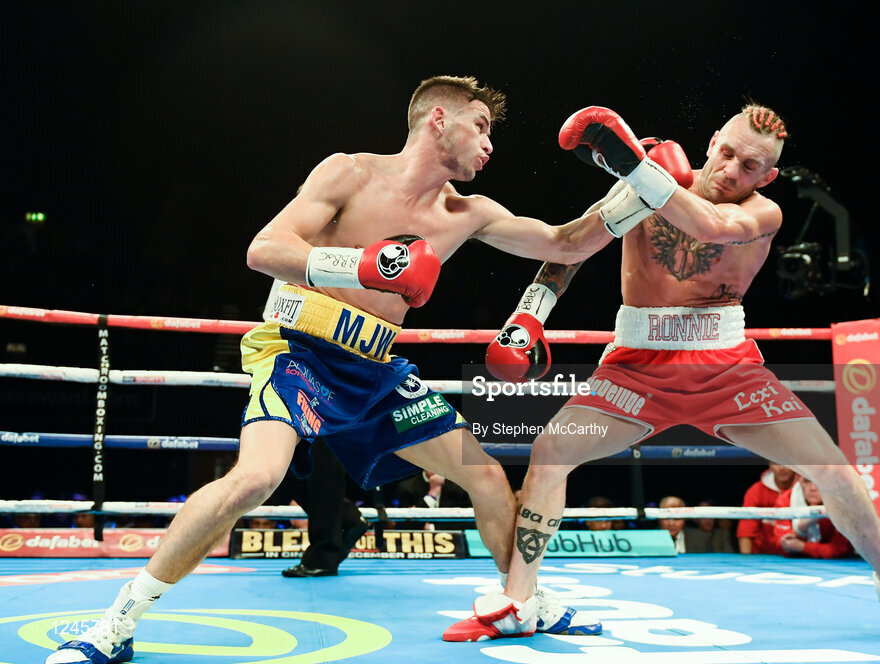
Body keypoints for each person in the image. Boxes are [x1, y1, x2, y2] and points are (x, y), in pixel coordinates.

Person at [46, 75, 617, 664]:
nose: (490, 144)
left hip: (376, 370)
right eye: (481, 125)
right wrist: (365, 265)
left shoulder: (468, 212)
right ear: (438, 120)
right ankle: (116, 623)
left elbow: (564, 244)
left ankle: (526, 600)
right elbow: (264, 248)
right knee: (255, 478)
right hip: (300, 353)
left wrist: (638, 184)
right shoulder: (350, 172)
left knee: (489, 477)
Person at [445, 103, 880, 642]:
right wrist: (529, 313)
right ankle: (519, 601)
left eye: (749, 165)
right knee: (552, 450)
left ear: (768, 176)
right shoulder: (646, 180)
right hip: (635, 371)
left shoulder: (764, 213)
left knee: (829, 465)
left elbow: (712, 227)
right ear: (713, 140)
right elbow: (572, 249)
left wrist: (629, 163)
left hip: (727, 371)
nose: (731, 168)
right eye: (728, 151)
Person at [275, 438, 369, 577]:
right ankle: (347, 517)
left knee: (323, 471)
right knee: (287, 470)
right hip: (305, 421)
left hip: (328, 422)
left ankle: (322, 558)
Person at [773, 476, 852, 559]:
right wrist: (801, 529)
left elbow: (840, 548)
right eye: (807, 481)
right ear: (800, 482)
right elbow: (784, 545)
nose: (813, 488)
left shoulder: (840, 502)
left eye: (819, 482)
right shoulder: (786, 500)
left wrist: (802, 547)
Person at [737, 462, 796, 554]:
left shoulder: (807, 488)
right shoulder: (756, 491)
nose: (782, 467)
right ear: (769, 464)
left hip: (799, 557)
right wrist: (747, 564)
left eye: (786, 462)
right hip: (763, 557)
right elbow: (746, 532)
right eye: (776, 462)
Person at [396, 469, 471, 530]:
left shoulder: (460, 487)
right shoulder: (407, 487)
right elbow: (405, 525)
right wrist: (432, 495)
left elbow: (469, 523)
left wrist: (434, 528)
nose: (435, 466)